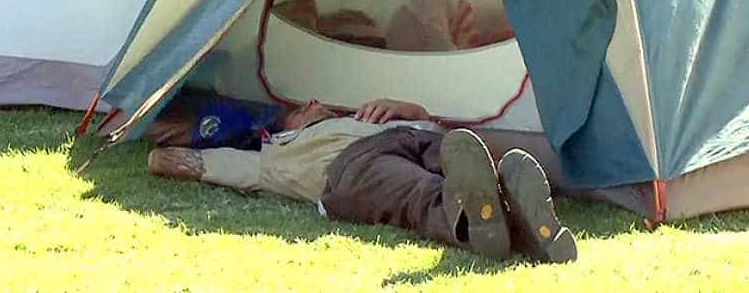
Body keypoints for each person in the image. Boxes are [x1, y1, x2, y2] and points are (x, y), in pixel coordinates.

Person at [148, 98, 576, 263]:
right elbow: (181, 161)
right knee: (415, 193)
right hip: (350, 170)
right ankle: (486, 221)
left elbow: (442, 131)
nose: (314, 103)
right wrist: (162, 146)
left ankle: (509, 205)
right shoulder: (271, 157)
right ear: (279, 124)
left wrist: (408, 109)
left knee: (460, 155)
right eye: (301, 107)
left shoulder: (363, 115)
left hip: (408, 137)